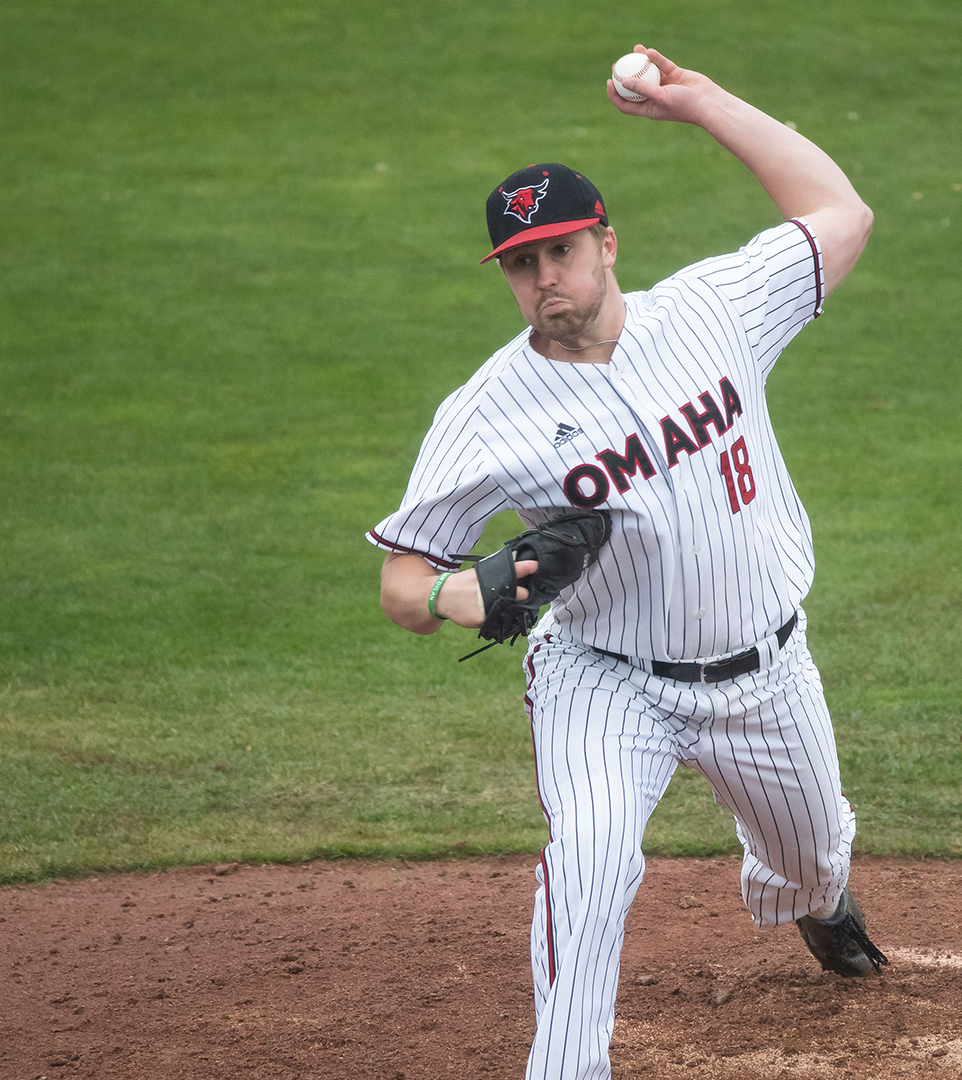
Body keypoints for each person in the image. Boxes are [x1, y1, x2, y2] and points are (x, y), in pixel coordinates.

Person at [368, 45, 882, 1080]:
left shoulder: (712, 309)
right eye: (521, 265)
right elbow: (402, 589)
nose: (544, 279)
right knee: (591, 867)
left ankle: (816, 900)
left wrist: (701, 102)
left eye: (559, 251)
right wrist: (458, 593)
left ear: (606, 243)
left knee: (810, 859)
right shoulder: (485, 414)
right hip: (606, 681)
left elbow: (842, 212)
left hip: (767, 673)